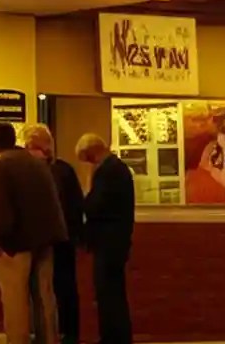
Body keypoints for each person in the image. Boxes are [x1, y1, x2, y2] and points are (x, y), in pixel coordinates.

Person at [0, 121, 68, 344]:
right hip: (46, 238)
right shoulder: (36, 161)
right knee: (44, 299)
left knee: (15, 302)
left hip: (16, 242)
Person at [21, 123, 85, 344]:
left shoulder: (39, 171)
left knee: (47, 288)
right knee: (63, 286)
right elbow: (77, 205)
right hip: (63, 237)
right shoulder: (63, 170)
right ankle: (67, 332)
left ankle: (54, 332)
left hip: (47, 238)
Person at [75, 133, 135, 344]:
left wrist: (82, 202)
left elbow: (95, 205)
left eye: (87, 159)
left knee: (108, 294)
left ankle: (112, 337)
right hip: (116, 242)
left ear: (93, 152)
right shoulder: (119, 169)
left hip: (108, 243)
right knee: (114, 293)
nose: (88, 164)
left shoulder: (108, 171)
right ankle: (117, 336)